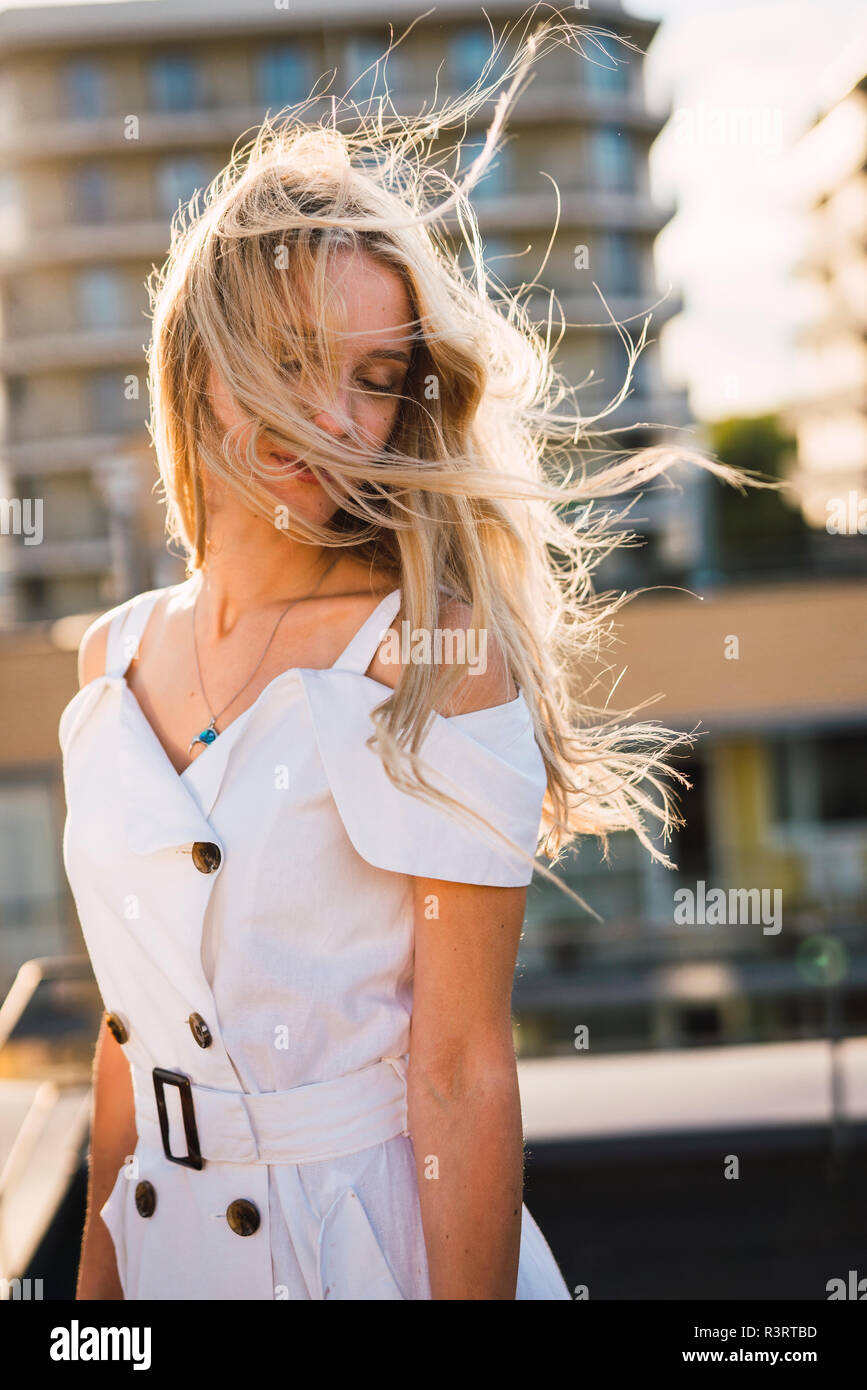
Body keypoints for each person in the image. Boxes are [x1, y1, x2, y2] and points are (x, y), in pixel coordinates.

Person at [62, 14, 749, 1300]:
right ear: (204, 368)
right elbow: (130, 1030)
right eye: (295, 363)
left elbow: (461, 1071)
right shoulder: (106, 666)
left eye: (375, 377)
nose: (337, 419)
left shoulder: (427, 658)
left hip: (363, 1253)